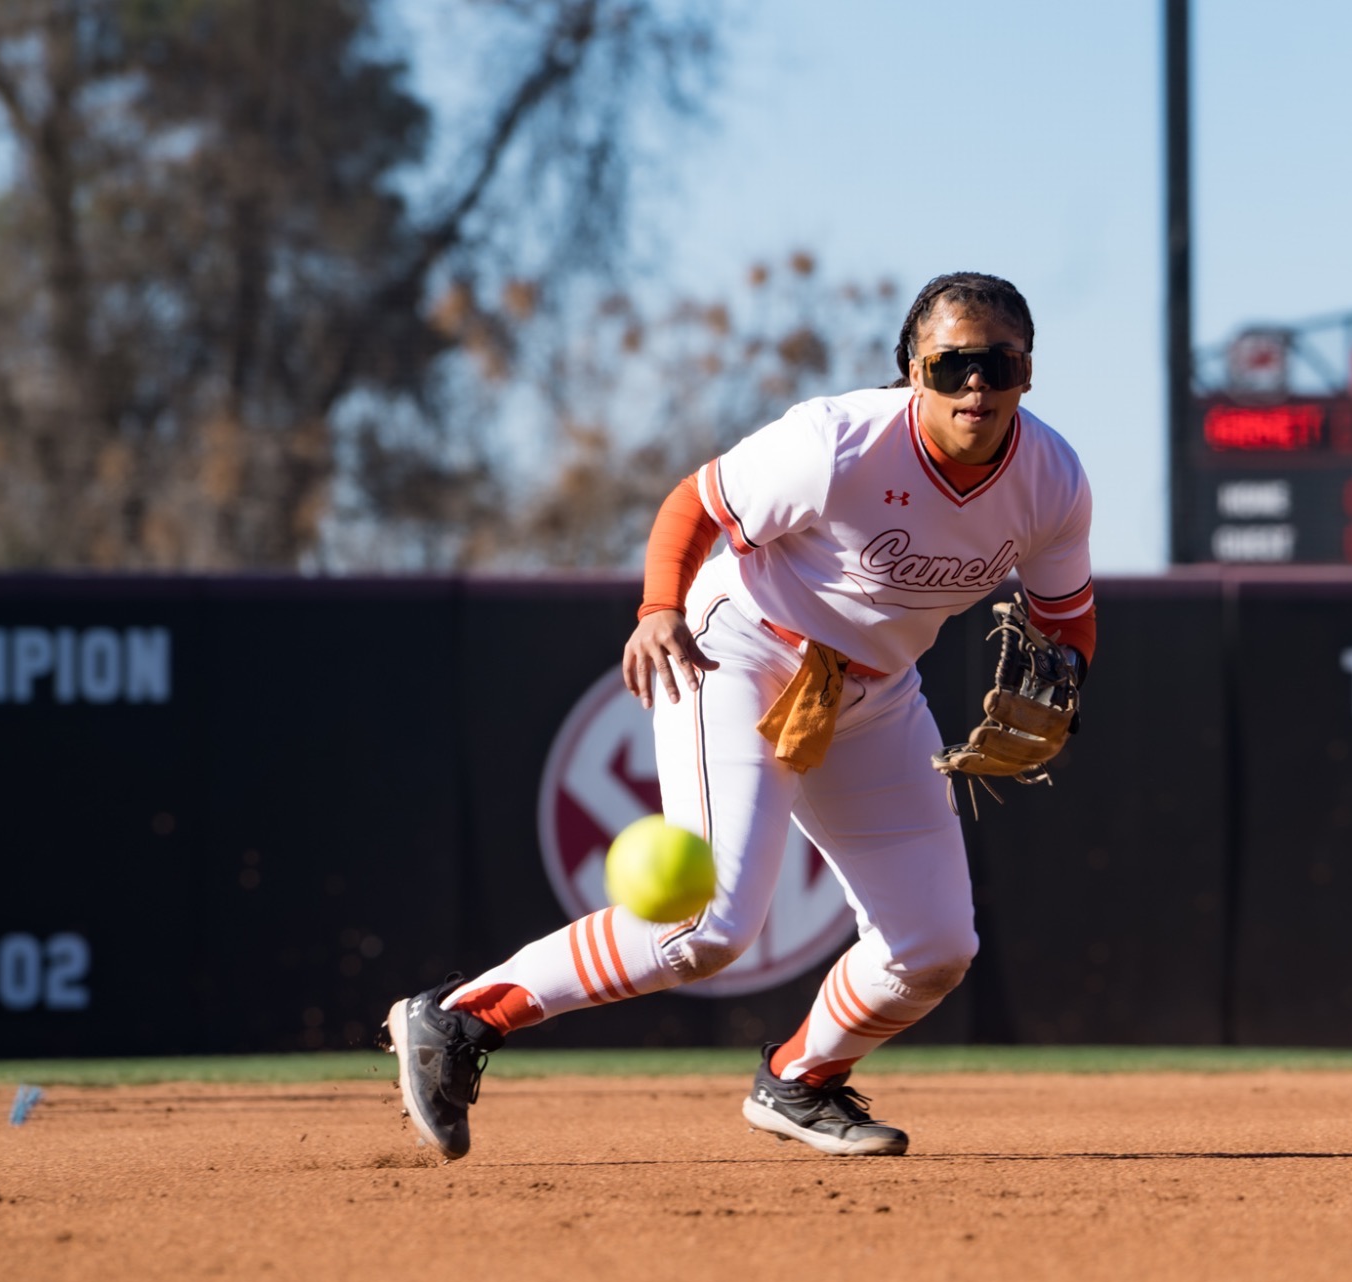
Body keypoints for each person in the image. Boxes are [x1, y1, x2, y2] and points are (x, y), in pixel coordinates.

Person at [384, 272, 1096, 1159]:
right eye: (950, 365)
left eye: (999, 363)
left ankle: (801, 1080)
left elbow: (1065, 616)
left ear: (1029, 371)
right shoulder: (836, 443)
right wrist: (656, 609)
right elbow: (695, 503)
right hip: (747, 651)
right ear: (911, 370)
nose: (976, 386)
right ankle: (459, 1019)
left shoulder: (1053, 477)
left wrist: (1069, 676)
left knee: (936, 945)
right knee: (710, 927)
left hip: (875, 692)